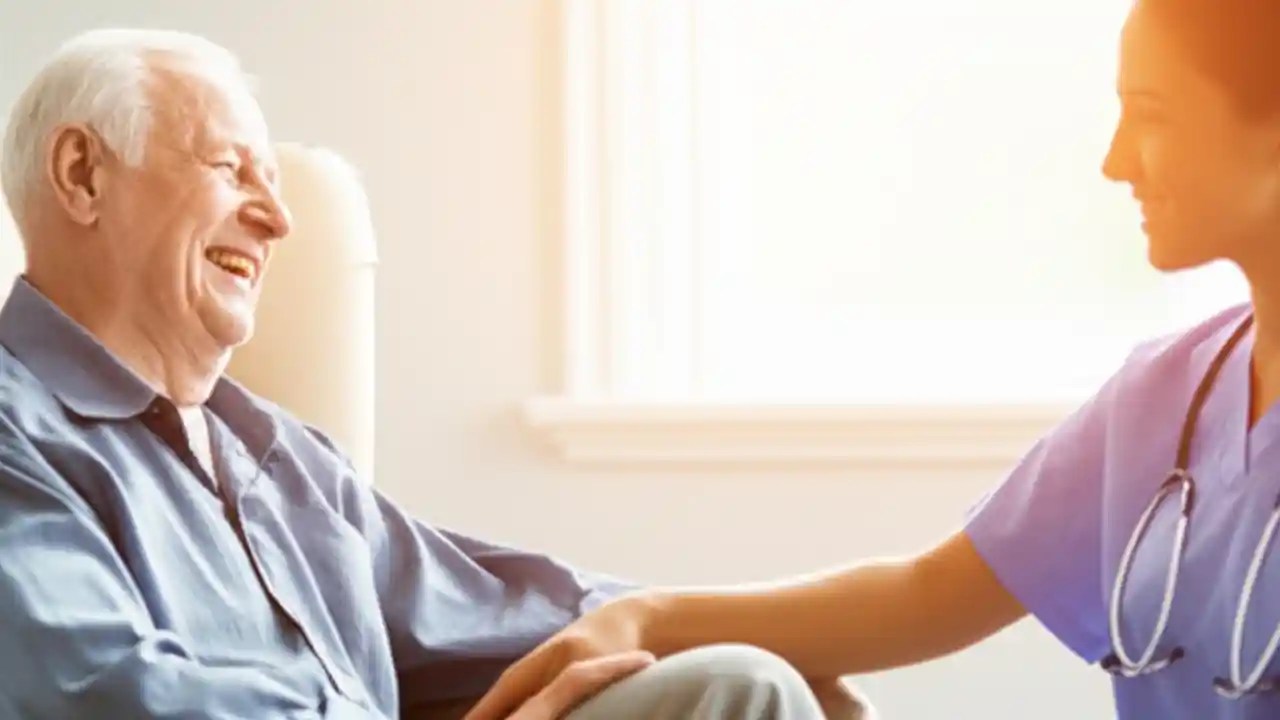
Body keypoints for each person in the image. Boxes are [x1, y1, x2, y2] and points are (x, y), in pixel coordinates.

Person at [0, 29, 861, 720]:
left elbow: (524, 612)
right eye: (230, 169)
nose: (278, 217)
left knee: (742, 687)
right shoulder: (16, 430)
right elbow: (102, 695)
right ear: (83, 175)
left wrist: (784, 647)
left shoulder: (281, 459)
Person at [461, 1, 1280, 719]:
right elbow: (926, 595)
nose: (1115, 160)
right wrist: (648, 616)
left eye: (1153, 115)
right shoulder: (1163, 398)